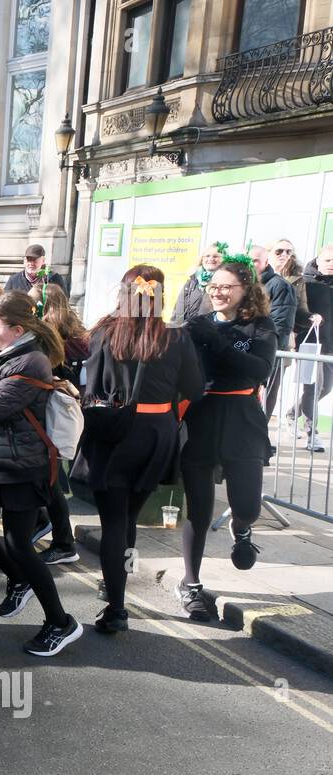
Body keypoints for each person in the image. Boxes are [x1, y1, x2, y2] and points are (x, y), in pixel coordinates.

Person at [0, 291, 83, 657]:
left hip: (23, 467)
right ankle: (19, 578)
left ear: (18, 328)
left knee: (20, 546)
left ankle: (60, 622)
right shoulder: (2, 352)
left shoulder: (31, 362)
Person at [77, 266, 203, 633]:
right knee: (129, 516)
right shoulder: (176, 337)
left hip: (114, 432)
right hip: (156, 433)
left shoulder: (104, 332)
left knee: (114, 522)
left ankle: (116, 605)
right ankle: (117, 583)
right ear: (159, 297)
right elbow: (193, 388)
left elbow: (92, 383)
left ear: (124, 294)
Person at [179, 258, 277, 621]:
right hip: (202, 417)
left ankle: (242, 528)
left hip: (242, 417)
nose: (218, 293)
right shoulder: (197, 324)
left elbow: (259, 370)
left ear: (245, 290)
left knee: (247, 505)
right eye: (213, 287)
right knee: (200, 510)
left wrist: (218, 345)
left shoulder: (260, 326)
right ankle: (191, 585)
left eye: (226, 287)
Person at [27, 282, 89, 565]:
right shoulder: (77, 334)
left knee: (50, 480)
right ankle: (43, 525)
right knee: (48, 478)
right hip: (67, 411)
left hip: (51, 414)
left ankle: (63, 541)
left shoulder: (48, 340)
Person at [249, 244, 297, 430]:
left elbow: (280, 324)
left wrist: (261, 347)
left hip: (268, 352)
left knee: (264, 398)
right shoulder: (245, 283)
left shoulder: (279, 285)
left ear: (265, 261)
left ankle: (257, 440)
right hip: (248, 350)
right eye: (249, 259)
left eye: (256, 260)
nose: (251, 264)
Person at [294, 245, 333, 452]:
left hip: (331, 347)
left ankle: (293, 413)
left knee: (326, 388)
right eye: (328, 260)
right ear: (318, 261)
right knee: (313, 388)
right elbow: (298, 311)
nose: (331, 264)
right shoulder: (305, 283)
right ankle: (312, 434)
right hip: (310, 344)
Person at [171, 241, 227, 325]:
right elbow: (179, 307)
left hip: (209, 332)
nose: (211, 259)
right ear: (202, 259)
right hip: (186, 331)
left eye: (215, 256)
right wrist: (175, 329)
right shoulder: (192, 280)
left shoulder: (225, 282)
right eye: (207, 256)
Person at [4, 243, 69, 296]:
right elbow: (4, 302)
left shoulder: (54, 278)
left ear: (43, 260)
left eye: (34, 260)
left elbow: (63, 302)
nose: (31, 263)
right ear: (24, 261)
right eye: (28, 260)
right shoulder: (14, 280)